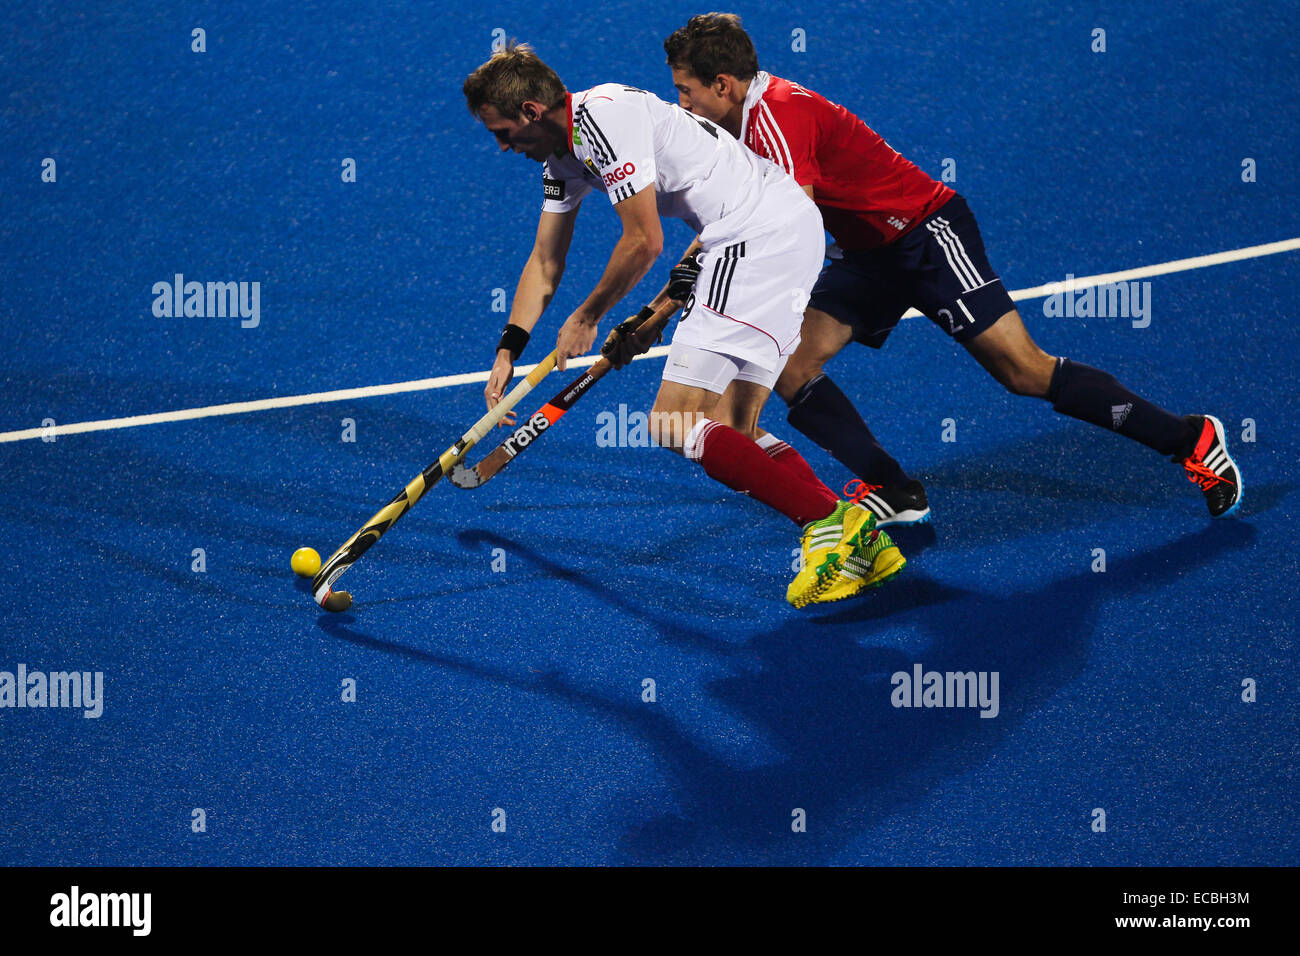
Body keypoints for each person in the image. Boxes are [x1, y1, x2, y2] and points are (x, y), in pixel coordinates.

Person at [661, 13, 1243, 523]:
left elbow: (781, 224)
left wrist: (711, 290)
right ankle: (895, 490)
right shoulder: (736, 116)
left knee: (1022, 372)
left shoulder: (777, 117)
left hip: (925, 234)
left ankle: (1190, 439)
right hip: (865, 252)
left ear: (724, 84)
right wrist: (687, 280)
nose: (680, 104)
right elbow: (738, 215)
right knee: (788, 364)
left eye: (686, 91)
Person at [463, 43, 905, 606]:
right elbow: (546, 261)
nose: (502, 146)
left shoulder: (602, 116)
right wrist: (510, 349)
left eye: (502, 131)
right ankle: (861, 544)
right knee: (727, 428)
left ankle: (830, 527)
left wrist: (588, 317)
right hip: (783, 234)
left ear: (530, 111)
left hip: (751, 240)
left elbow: (645, 240)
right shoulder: (562, 160)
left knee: (671, 422)